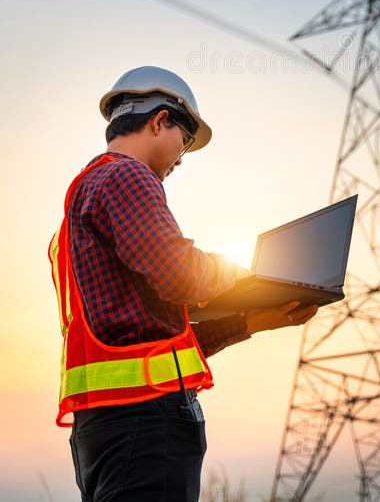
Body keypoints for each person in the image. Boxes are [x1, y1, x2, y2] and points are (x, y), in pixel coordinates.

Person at [49, 65, 317, 502]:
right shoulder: (126, 177)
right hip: (144, 425)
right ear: (160, 121)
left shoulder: (74, 216)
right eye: (185, 141)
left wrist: (254, 319)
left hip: (106, 428)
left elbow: (146, 341)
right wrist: (241, 272)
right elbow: (181, 275)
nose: (181, 158)